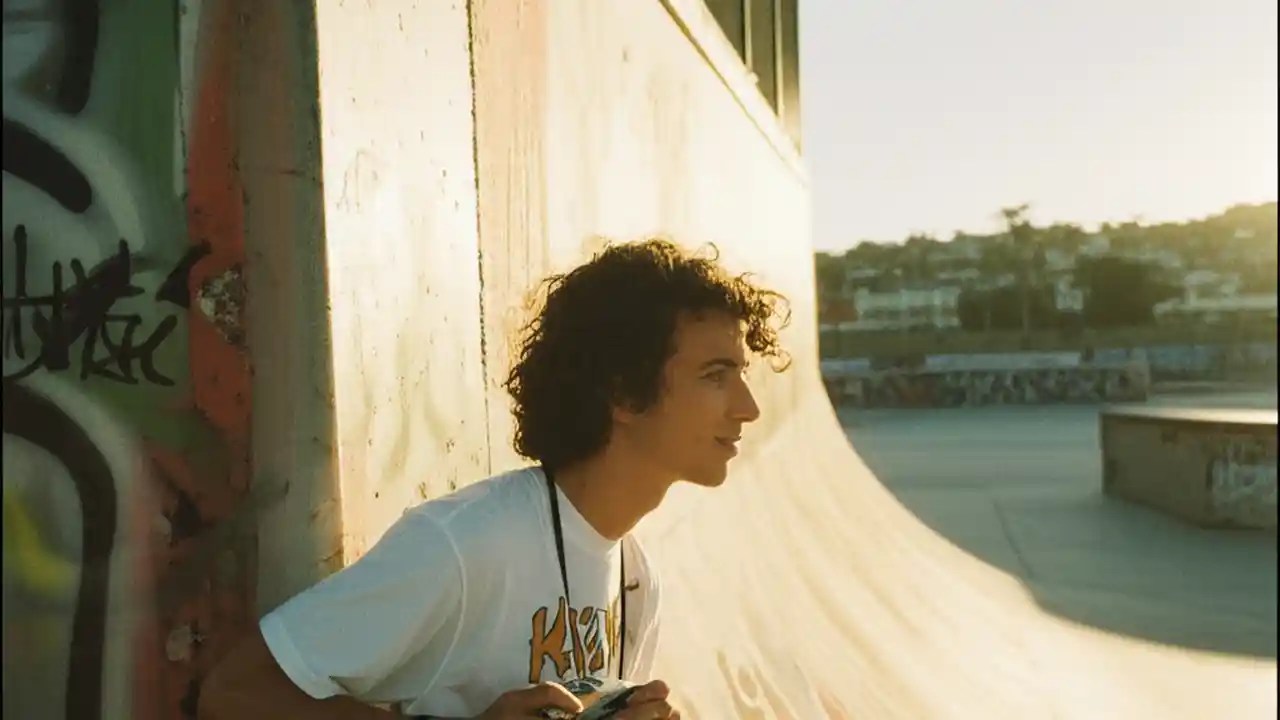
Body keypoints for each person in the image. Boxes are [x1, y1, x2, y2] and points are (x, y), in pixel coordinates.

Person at [198, 238, 790, 719]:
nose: (747, 408)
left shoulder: (636, 577)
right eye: (716, 375)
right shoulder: (465, 544)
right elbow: (235, 695)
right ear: (622, 393)